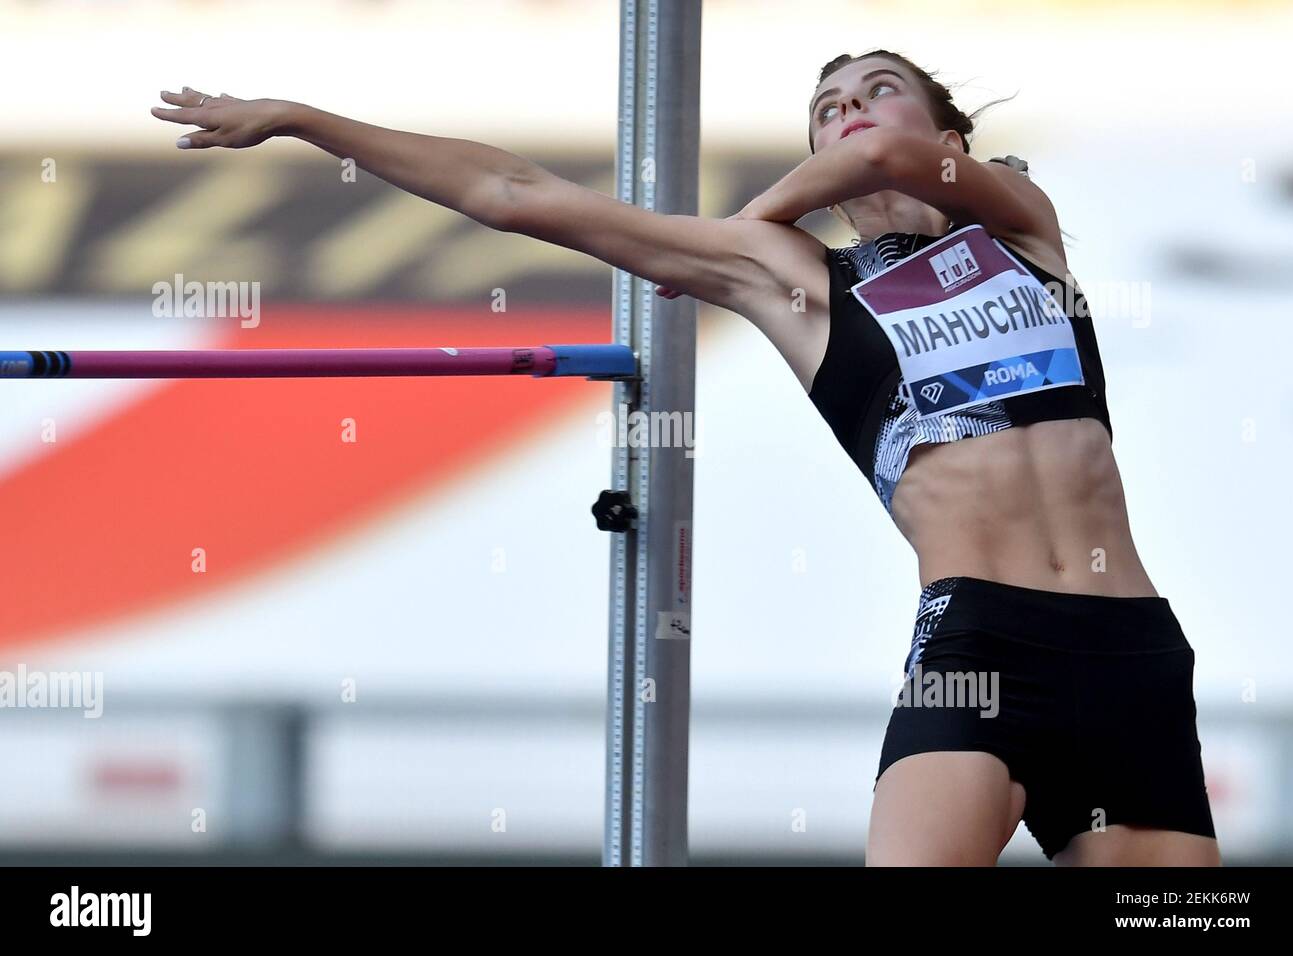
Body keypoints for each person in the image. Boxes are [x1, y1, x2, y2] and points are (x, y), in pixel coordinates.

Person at [150, 51, 1220, 866]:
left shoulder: (1022, 225)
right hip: (981, 645)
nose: (849, 113)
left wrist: (743, 217)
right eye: (825, 106)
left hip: (1133, 652)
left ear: (950, 129)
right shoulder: (793, 278)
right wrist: (301, 119)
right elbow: (513, 195)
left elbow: (887, 161)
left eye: (875, 88)